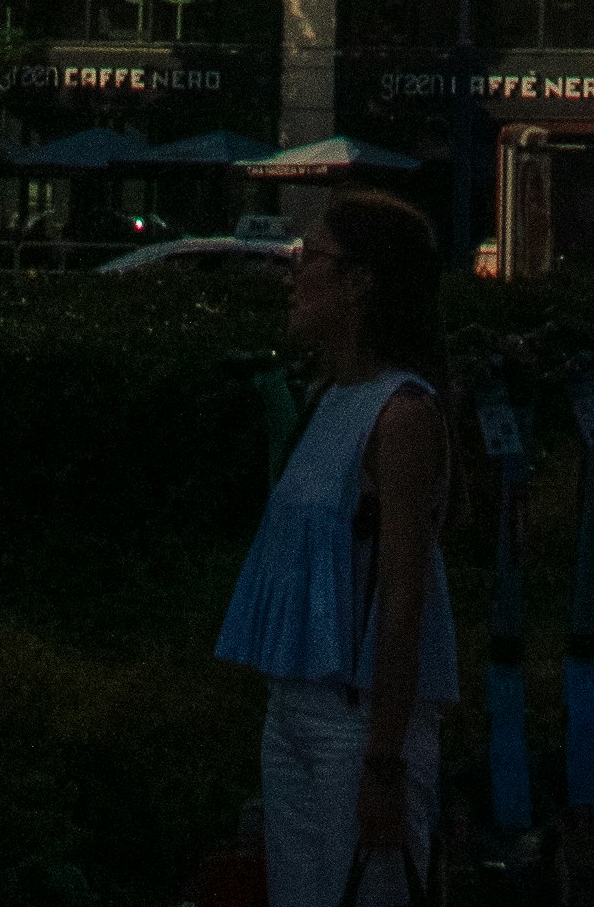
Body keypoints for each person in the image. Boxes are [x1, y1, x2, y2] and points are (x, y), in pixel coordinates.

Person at [217, 189, 458, 907]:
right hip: (295, 703)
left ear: (360, 283)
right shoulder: (326, 398)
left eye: (310, 257)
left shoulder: (403, 413)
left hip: (356, 719)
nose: (293, 276)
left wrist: (384, 759)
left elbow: (404, 594)